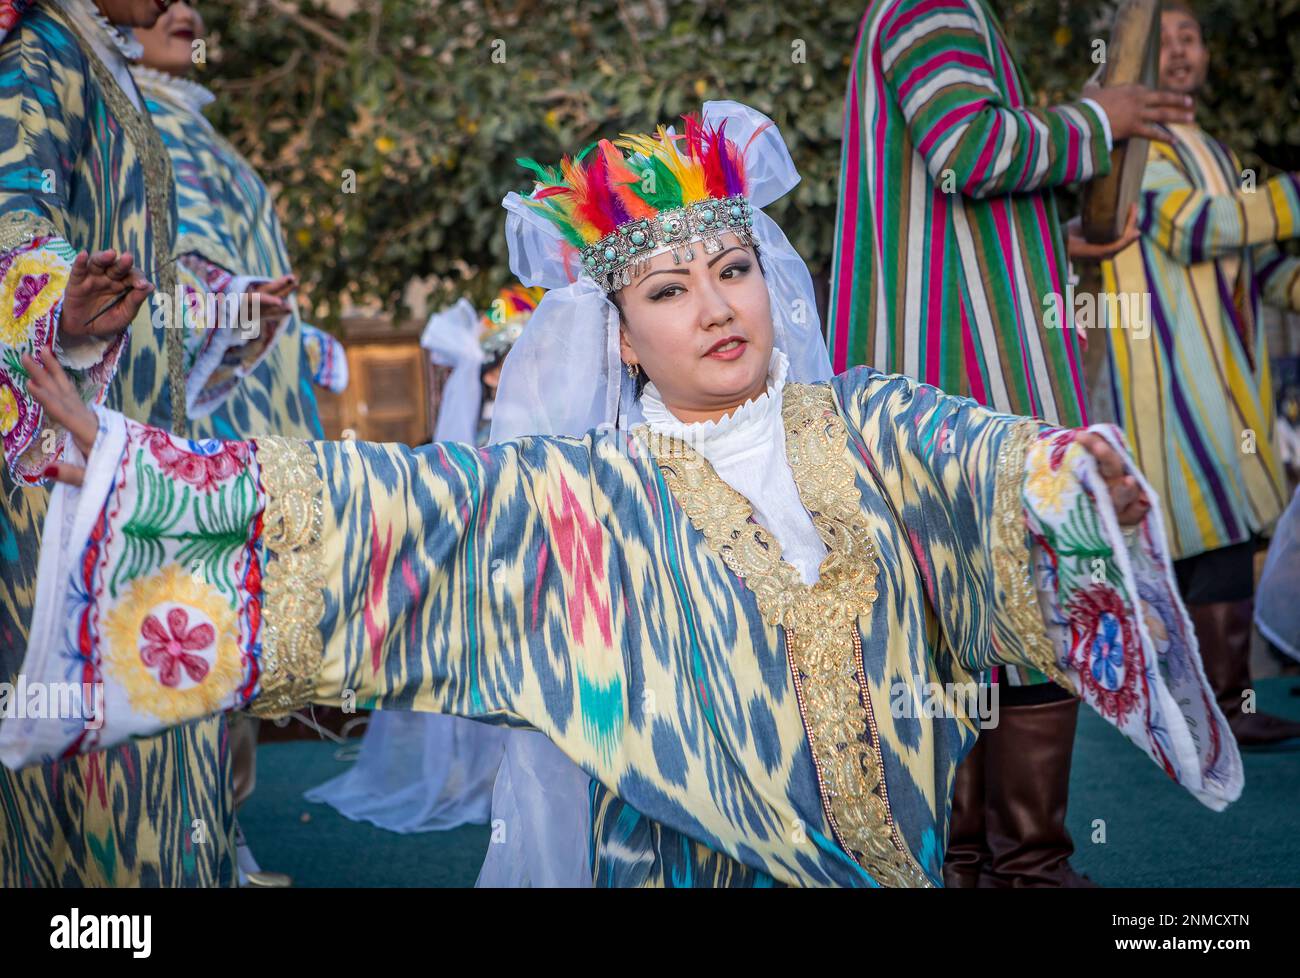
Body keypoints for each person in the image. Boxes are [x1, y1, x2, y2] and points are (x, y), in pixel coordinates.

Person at [6, 103, 1241, 888]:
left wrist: (1073, 478)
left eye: (732, 269)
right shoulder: (581, 486)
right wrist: (129, 469)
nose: (714, 307)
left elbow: (984, 458)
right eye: (667, 291)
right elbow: (378, 508)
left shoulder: (863, 420)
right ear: (620, 338)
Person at [827, 0, 1199, 887]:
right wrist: (1098, 121)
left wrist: (1056, 238)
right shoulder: (933, 6)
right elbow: (971, 151)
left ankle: (976, 865)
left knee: (963, 627)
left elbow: (959, 201)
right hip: (959, 376)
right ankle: (1024, 870)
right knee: (1020, 609)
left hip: (940, 371)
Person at [0, 0, 239, 887]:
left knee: (144, 689)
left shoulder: (95, 52)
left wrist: (224, 307)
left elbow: (139, 258)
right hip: (63, 451)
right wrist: (52, 298)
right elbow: (10, 206)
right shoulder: (42, 45)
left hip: (122, 446)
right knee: (97, 713)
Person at [130, 0, 330, 885]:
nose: (184, 11)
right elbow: (154, 270)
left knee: (232, 629)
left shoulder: (198, 130)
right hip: (178, 421)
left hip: (241, 411)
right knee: (181, 626)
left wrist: (289, 332)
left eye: (191, 0)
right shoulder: (122, 123)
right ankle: (188, 838)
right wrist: (226, 310)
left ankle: (221, 829)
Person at [1099, 0, 1300, 747]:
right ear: (1136, 57)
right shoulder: (1132, 146)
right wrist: (1293, 197)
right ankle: (1213, 709)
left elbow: (1259, 260)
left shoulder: (1217, 150)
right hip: (1166, 379)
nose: (1180, 51)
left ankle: (1215, 706)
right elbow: (1199, 227)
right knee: (1200, 535)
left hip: (1233, 382)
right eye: (1165, 39)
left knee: (1220, 534)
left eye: (1191, 38)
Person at [302, 288, 544, 837]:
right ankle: (470, 775)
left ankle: (519, 773)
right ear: (486, 372)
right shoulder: (478, 430)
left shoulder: (537, 416)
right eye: (508, 359)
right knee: (474, 660)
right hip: (481, 560)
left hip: (525, 558)